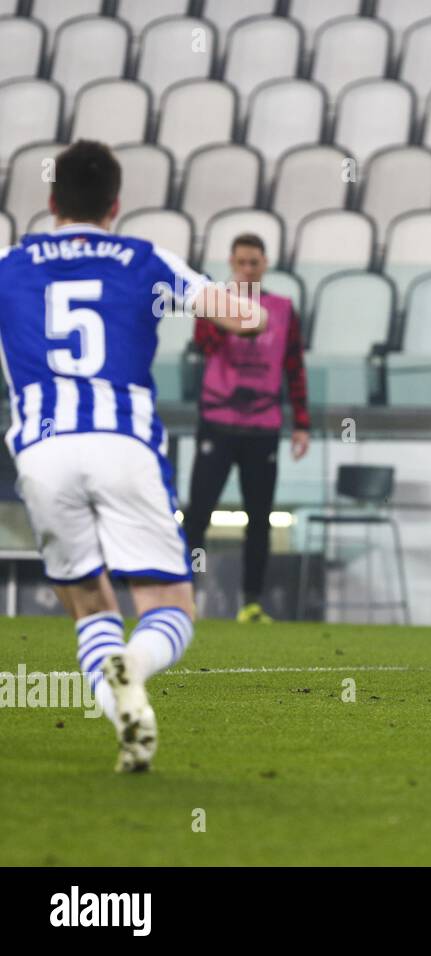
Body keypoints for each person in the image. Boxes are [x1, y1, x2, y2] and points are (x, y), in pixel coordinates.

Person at [0, 141, 265, 771]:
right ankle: (135, 665)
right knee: (170, 606)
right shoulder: (142, 260)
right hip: (123, 443)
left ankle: (123, 707)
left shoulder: (10, 264)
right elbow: (244, 319)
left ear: (50, 201)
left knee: (89, 601)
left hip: (41, 450)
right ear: (115, 205)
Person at [183, 233, 310, 623]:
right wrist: (233, 318)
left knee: (260, 518)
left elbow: (293, 366)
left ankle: (251, 602)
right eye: (241, 263)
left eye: (254, 263)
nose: (248, 269)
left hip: (263, 427)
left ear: (265, 263)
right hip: (218, 424)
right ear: (231, 263)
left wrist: (301, 424)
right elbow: (203, 345)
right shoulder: (214, 303)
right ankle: (181, 597)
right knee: (198, 514)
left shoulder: (283, 308)